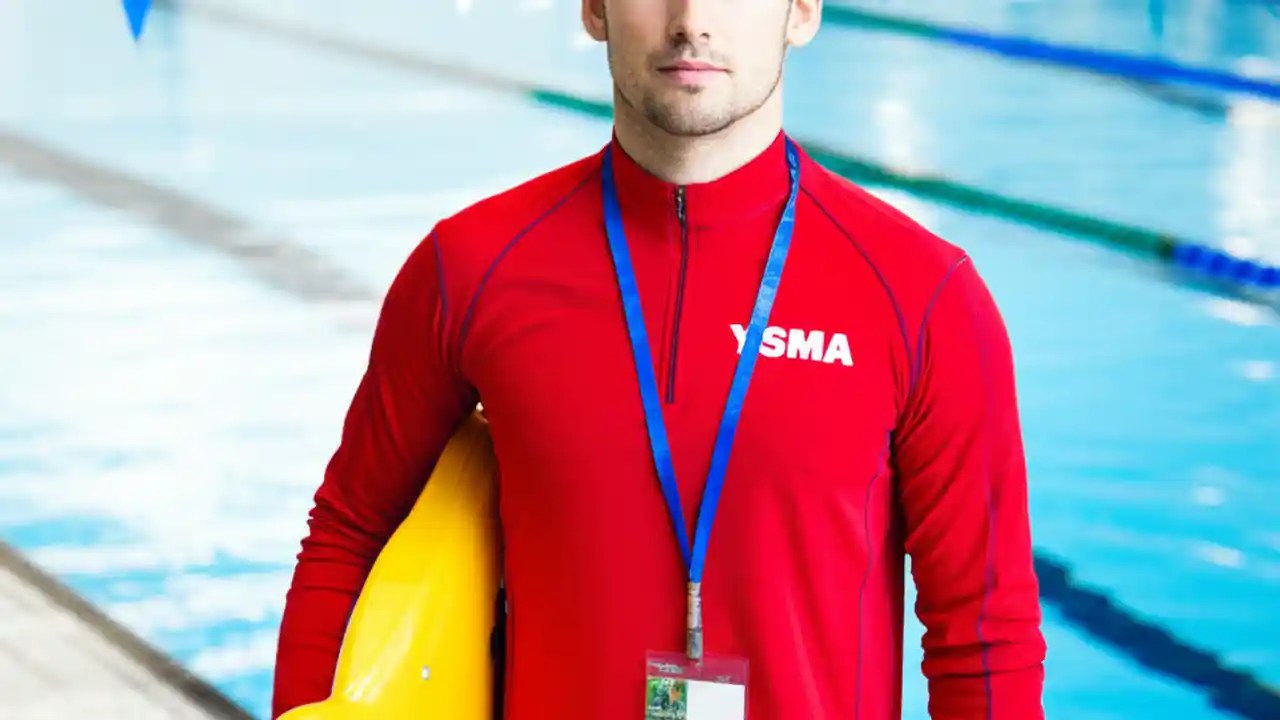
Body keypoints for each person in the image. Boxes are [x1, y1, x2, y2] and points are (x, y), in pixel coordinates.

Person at [271, 0, 1047, 718]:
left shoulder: (920, 298)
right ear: (595, 8)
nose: (690, 19)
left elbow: (983, 638)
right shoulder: (474, 270)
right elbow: (348, 536)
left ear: (803, 10)